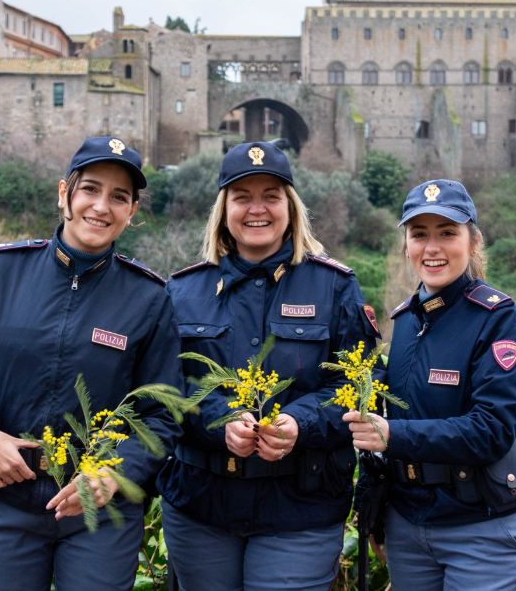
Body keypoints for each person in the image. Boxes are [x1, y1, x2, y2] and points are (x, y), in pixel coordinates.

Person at [0, 136, 183, 591]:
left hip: (100, 516)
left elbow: (162, 415)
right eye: (91, 190)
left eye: (119, 197)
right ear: (64, 194)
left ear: (132, 212)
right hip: (2, 503)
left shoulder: (149, 298)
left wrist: (114, 473)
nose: (101, 207)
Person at [158, 141, 381, 591]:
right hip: (202, 507)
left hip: (302, 507)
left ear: (290, 207)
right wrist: (221, 422)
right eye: (242, 197)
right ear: (224, 209)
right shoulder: (183, 290)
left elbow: (361, 386)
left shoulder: (334, 286)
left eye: (271, 196)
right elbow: (162, 388)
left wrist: (298, 423)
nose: (256, 209)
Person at [344, 179, 516, 591]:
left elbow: (492, 430)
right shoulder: (407, 319)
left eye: (447, 233)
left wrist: (392, 434)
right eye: (419, 235)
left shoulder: (499, 319)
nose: (432, 248)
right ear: (407, 246)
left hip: (481, 528)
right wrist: (375, 510)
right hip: (409, 527)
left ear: (473, 241)